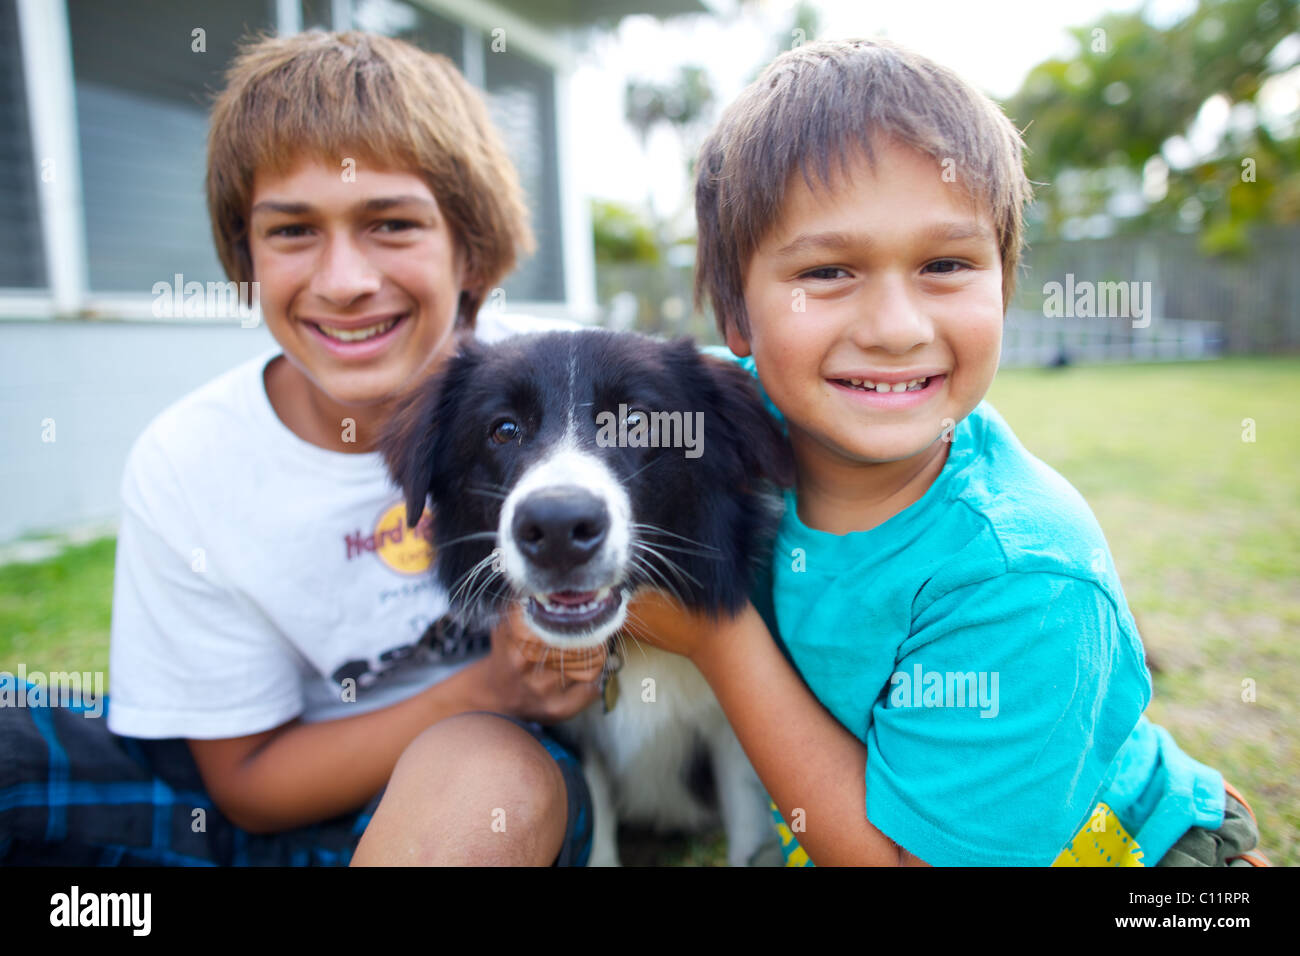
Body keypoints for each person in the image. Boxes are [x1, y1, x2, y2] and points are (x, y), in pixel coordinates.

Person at [625, 37, 1268, 867]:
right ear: (738, 318)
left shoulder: (1024, 573)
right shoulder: (713, 423)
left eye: (944, 264)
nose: (895, 328)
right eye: (825, 272)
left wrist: (717, 636)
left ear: (1002, 287)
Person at [0, 30, 601, 867]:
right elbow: (245, 780)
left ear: (470, 248)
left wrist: (502, 701)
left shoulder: (579, 392)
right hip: (245, 815)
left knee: (492, 772)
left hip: (472, 807)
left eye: (391, 223)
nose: (345, 279)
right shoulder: (187, 460)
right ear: (244, 259)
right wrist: (488, 683)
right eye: (292, 232)